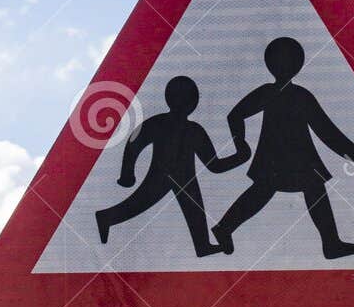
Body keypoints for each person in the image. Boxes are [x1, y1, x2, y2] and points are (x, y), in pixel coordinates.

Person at [213, 36, 354, 259]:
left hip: (296, 158)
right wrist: (240, 144)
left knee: (291, 189)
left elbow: (324, 129)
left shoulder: (298, 95)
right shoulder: (277, 93)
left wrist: (353, 153)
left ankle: (331, 243)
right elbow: (235, 115)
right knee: (268, 191)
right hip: (281, 158)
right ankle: (224, 228)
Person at [95, 75, 247, 258]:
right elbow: (134, 144)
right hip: (161, 176)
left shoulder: (190, 129)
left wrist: (239, 158)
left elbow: (213, 165)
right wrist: (127, 175)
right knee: (138, 204)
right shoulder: (172, 126)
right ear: (194, 102)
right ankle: (105, 217)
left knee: (194, 210)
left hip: (185, 178)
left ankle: (202, 245)